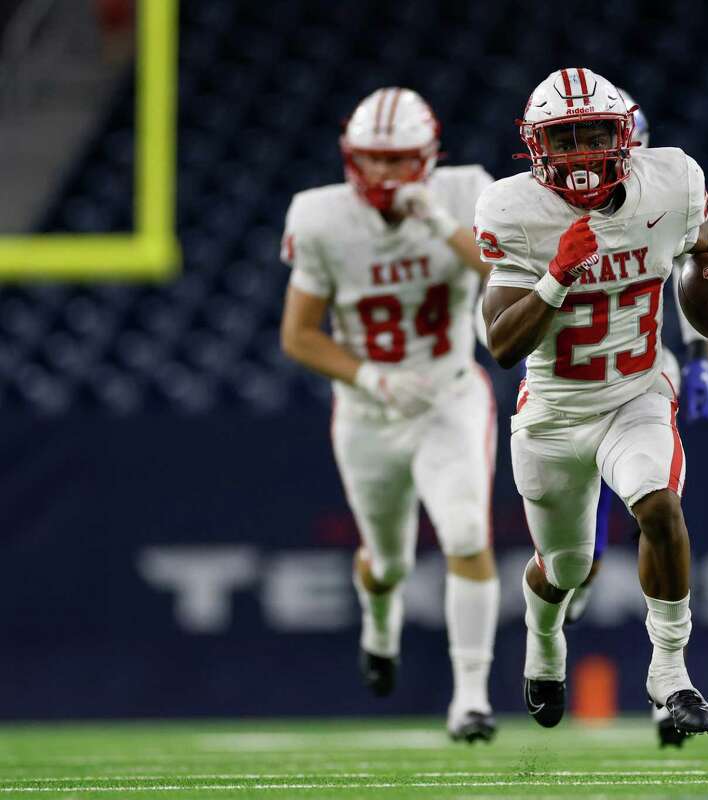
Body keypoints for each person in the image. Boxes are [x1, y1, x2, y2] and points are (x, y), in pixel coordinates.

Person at [476, 67, 708, 737]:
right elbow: (500, 343)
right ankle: (544, 638)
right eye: (567, 138)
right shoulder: (511, 209)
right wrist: (557, 275)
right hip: (554, 413)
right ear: (537, 146)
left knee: (659, 506)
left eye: (595, 135)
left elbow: (707, 242)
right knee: (567, 566)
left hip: (637, 393)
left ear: (625, 137)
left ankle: (669, 674)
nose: (583, 153)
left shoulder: (669, 182)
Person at [279, 87, 500, 743]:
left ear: (428, 159)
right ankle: (380, 621)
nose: (381, 174)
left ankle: (471, 700)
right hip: (368, 411)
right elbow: (298, 335)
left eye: (397, 159)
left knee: (465, 533)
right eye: (371, 159)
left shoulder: (466, 192)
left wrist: (436, 221)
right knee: (390, 563)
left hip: (450, 395)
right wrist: (372, 376)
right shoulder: (321, 217)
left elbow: (506, 275)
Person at [558, 89, 708, 748]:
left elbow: (694, 271)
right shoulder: (543, 209)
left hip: (643, 379)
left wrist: (700, 354)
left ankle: (668, 680)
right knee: (582, 551)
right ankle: (580, 569)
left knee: (659, 513)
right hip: (572, 387)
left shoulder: (665, 197)